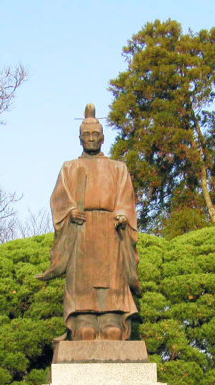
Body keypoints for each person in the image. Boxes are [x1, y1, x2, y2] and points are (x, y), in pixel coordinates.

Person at [37, 104, 139, 341]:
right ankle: (83, 318)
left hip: (110, 230)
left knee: (113, 277)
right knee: (82, 279)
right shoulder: (70, 167)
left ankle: (112, 318)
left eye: (95, 135)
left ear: (103, 137)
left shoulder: (118, 168)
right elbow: (60, 198)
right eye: (86, 135)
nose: (91, 139)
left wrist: (123, 215)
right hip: (81, 230)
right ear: (80, 138)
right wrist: (71, 211)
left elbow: (127, 199)